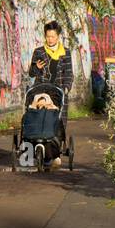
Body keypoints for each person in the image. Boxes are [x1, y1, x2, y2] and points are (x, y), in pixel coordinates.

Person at [28, 22, 74, 163]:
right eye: (48, 36)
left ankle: (56, 154)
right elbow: (31, 73)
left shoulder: (65, 53)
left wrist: (66, 88)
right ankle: (39, 149)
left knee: (58, 122)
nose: (50, 39)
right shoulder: (39, 52)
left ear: (58, 36)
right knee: (40, 119)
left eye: (53, 36)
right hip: (42, 90)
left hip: (59, 92)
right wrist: (36, 67)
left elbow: (69, 73)